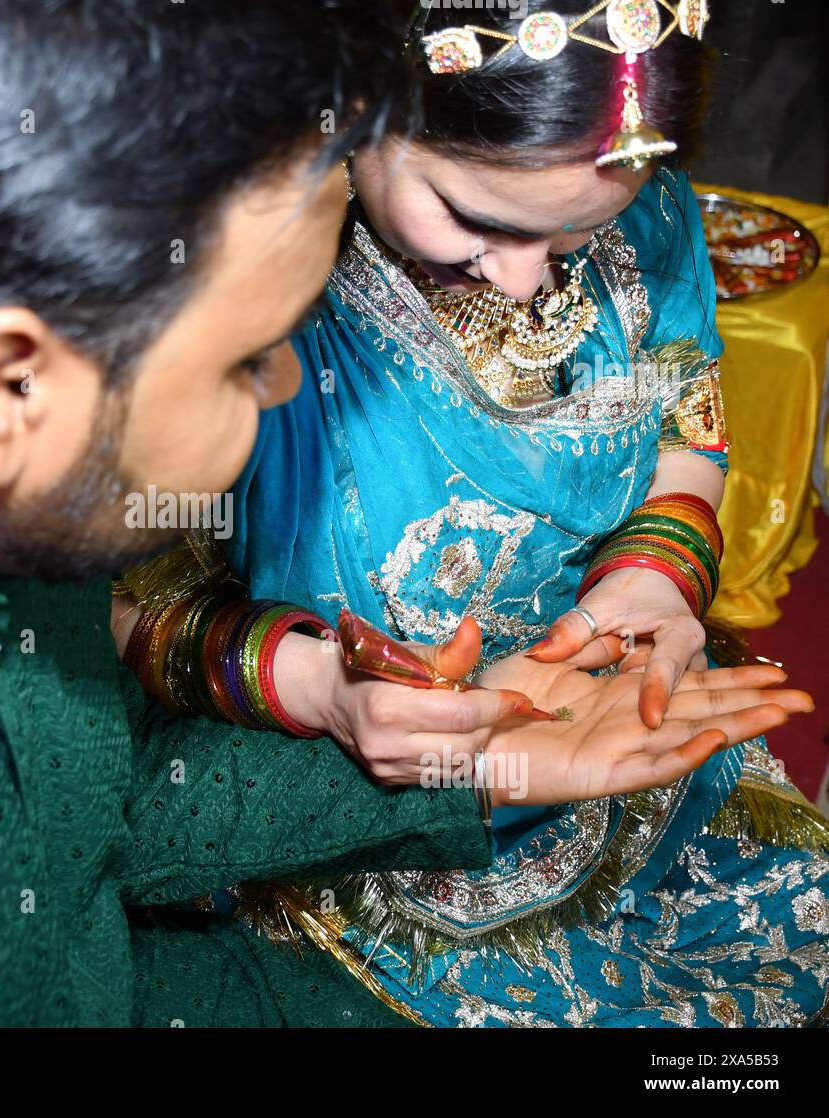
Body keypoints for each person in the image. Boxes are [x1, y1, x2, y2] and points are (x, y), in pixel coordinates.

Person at [117, 0, 829, 1027]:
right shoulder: (244, 286)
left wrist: (654, 575)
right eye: (477, 216)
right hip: (323, 799)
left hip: (600, 714)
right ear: (359, 100)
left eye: (580, 230)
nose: (526, 278)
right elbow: (132, 606)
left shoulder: (650, 213)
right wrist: (326, 689)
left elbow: (688, 426)